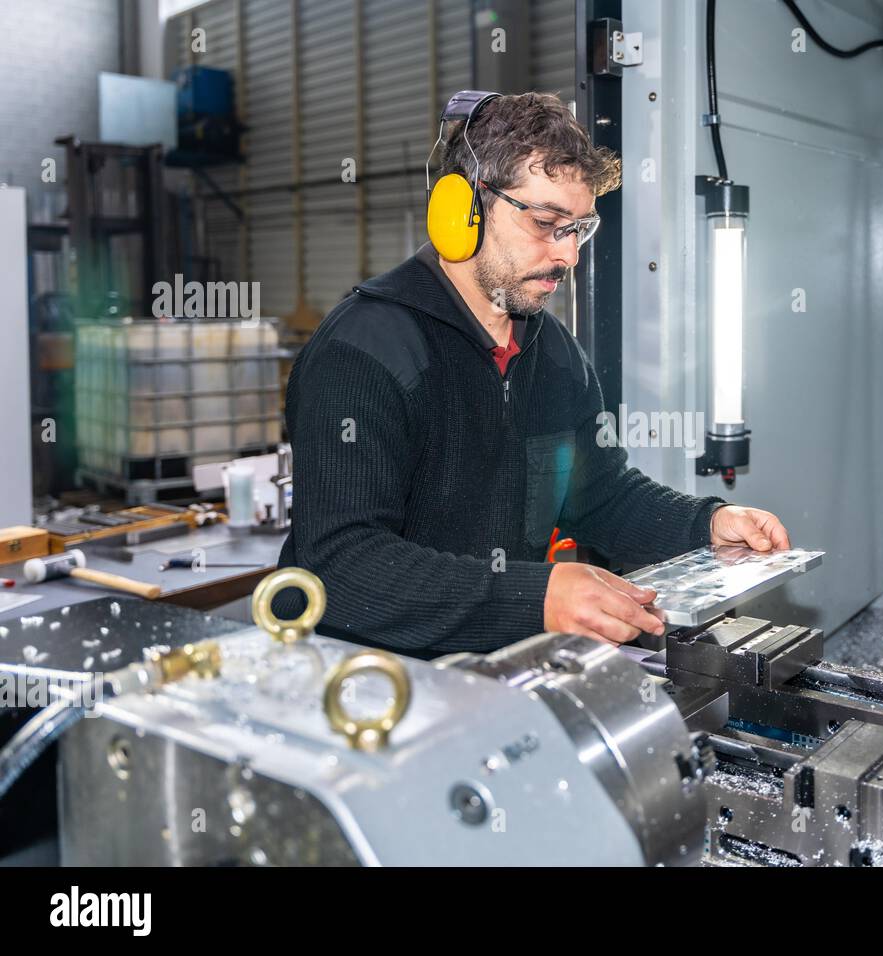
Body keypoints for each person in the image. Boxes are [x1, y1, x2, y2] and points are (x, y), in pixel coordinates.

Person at [275, 91, 789, 657]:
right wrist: (534, 597)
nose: (568, 256)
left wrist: (706, 523)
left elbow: (599, 496)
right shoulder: (364, 348)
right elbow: (342, 568)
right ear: (462, 210)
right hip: (359, 681)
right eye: (546, 223)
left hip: (483, 672)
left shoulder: (555, 353)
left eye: (579, 229)